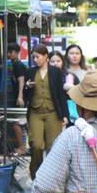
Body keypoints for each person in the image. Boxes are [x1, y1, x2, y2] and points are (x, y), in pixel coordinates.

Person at [25, 44, 70, 178]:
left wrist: (65, 115)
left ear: (45, 57)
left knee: (52, 147)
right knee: (36, 145)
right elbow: (23, 93)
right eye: (33, 57)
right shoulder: (30, 72)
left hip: (53, 112)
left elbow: (60, 94)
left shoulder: (55, 72)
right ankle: (36, 175)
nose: (35, 60)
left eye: (37, 57)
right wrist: (27, 87)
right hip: (35, 111)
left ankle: (51, 177)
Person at [5, 43, 28, 154]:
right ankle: (23, 146)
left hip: (21, 98)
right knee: (18, 123)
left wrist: (20, 96)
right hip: (19, 97)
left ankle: (22, 148)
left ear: (16, 52)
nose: (8, 54)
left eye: (10, 52)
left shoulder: (18, 65)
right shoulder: (15, 64)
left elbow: (21, 80)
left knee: (17, 124)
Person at [64, 43, 87, 121]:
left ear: (81, 56)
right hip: (67, 108)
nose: (74, 56)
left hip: (84, 107)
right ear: (67, 55)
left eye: (77, 53)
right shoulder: (63, 72)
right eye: (71, 53)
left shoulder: (87, 72)